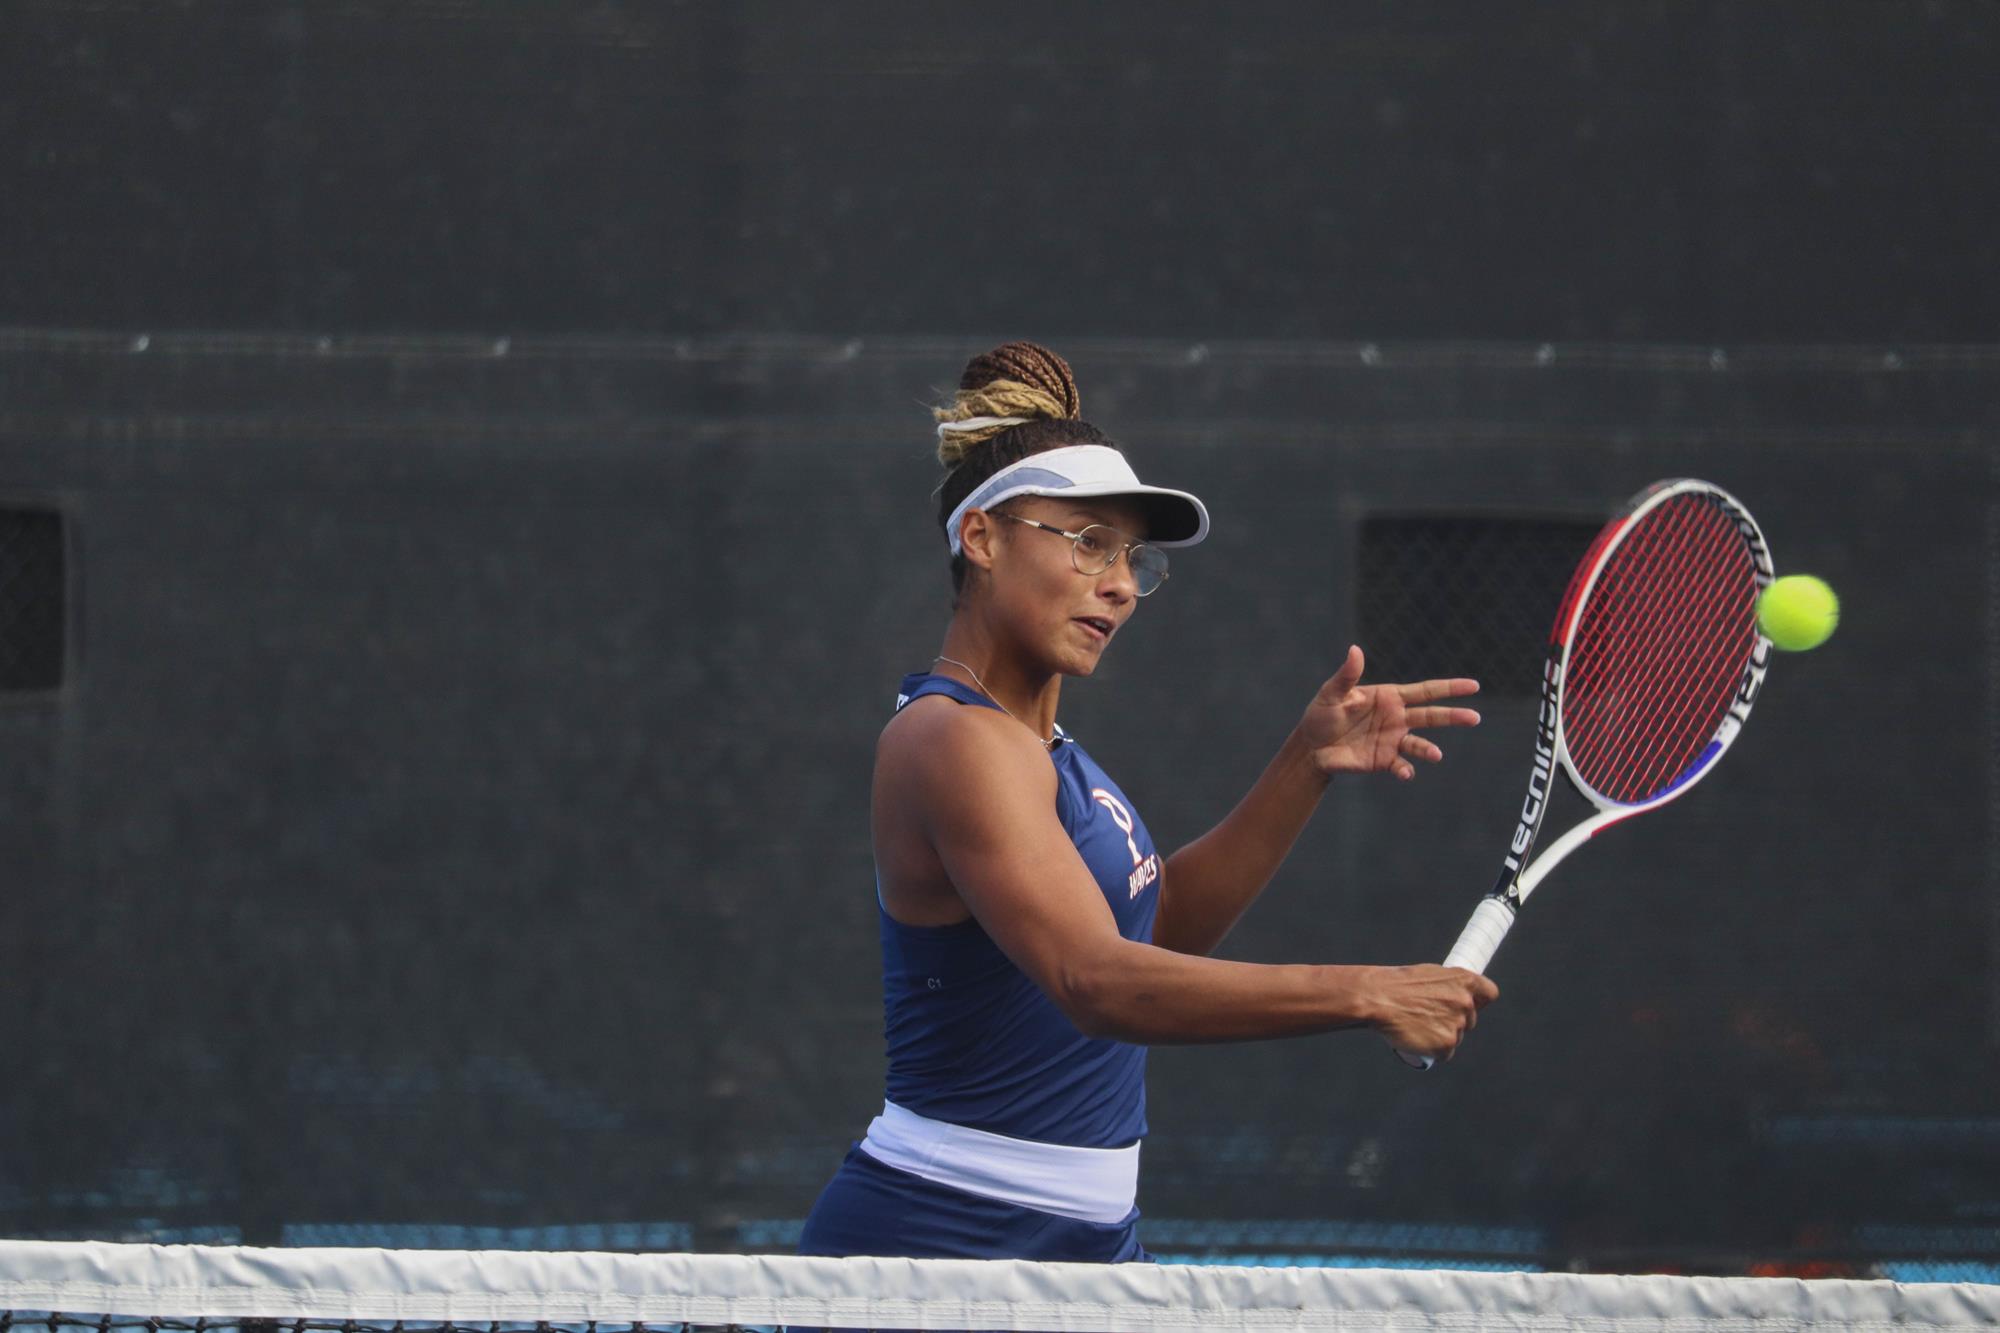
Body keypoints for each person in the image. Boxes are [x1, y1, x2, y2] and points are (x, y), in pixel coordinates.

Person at [798, 341, 1498, 1264]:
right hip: (942, 1249)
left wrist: (1303, 764)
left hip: (1082, 1252)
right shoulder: (951, 739)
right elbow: (1098, 980)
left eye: (1133, 558)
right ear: (982, 538)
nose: (1123, 584)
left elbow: (1152, 926)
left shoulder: (1047, 754)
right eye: (1088, 542)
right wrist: (1367, 991)